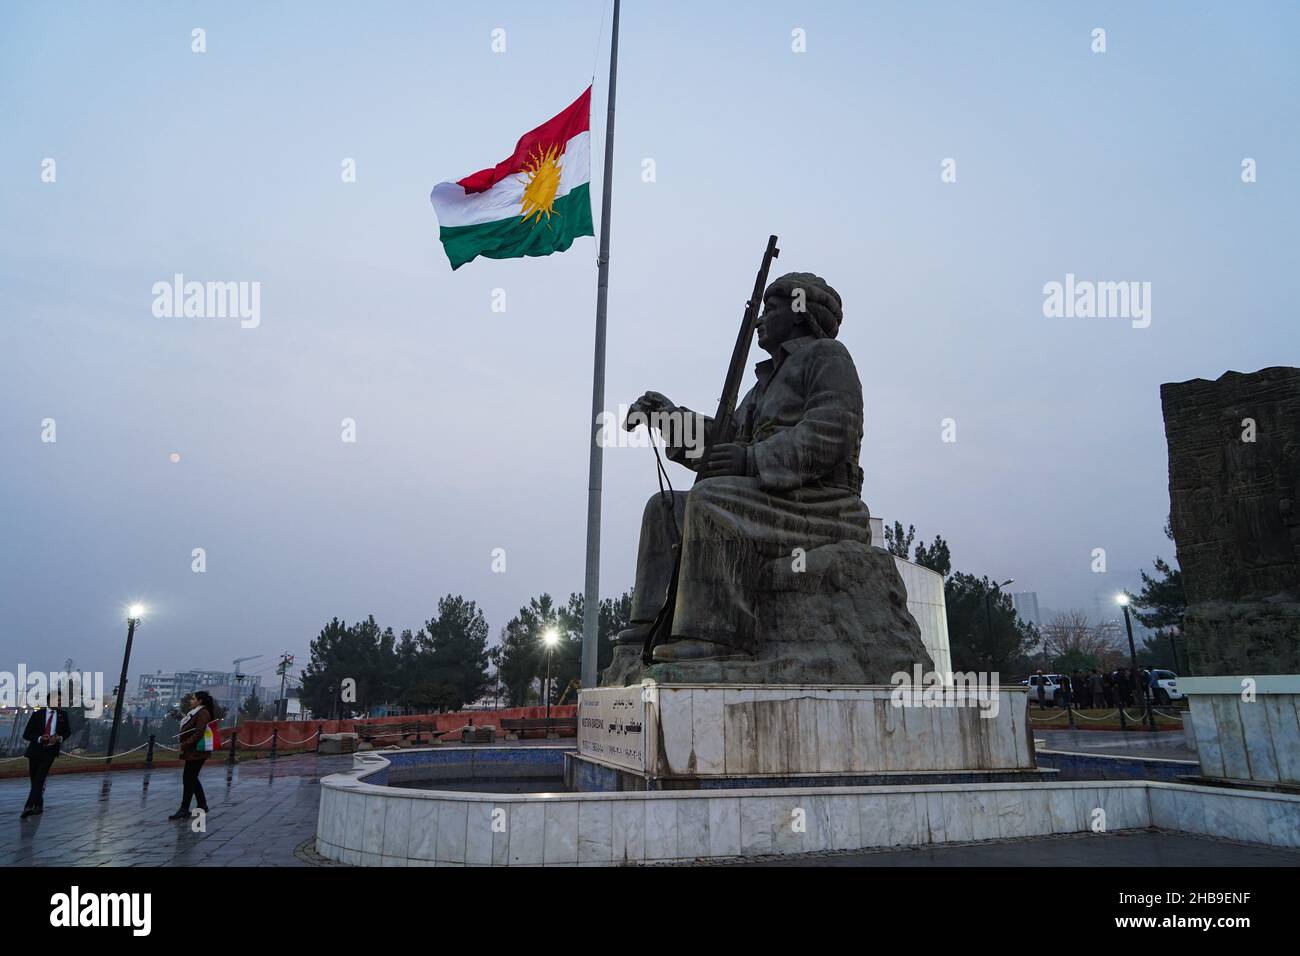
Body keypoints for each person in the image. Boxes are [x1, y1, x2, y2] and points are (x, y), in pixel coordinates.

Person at [20, 692, 71, 819]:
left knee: (40, 778)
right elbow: (26, 734)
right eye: (58, 700)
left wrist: (58, 738)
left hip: (50, 752)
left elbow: (67, 732)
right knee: (34, 779)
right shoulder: (38, 715)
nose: (60, 703)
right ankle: (39, 806)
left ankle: (28, 806)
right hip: (35, 751)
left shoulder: (63, 715)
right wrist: (39, 738)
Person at [170, 691, 214, 820]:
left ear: (200, 701)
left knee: (189, 778)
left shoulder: (203, 713)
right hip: (193, 751)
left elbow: (199, 733)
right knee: (191, 778)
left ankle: (185, 808)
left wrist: (185, 745)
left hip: (197, 751)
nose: (191, 701)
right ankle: (201, 804)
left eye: (193, 699)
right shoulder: (196, 712)